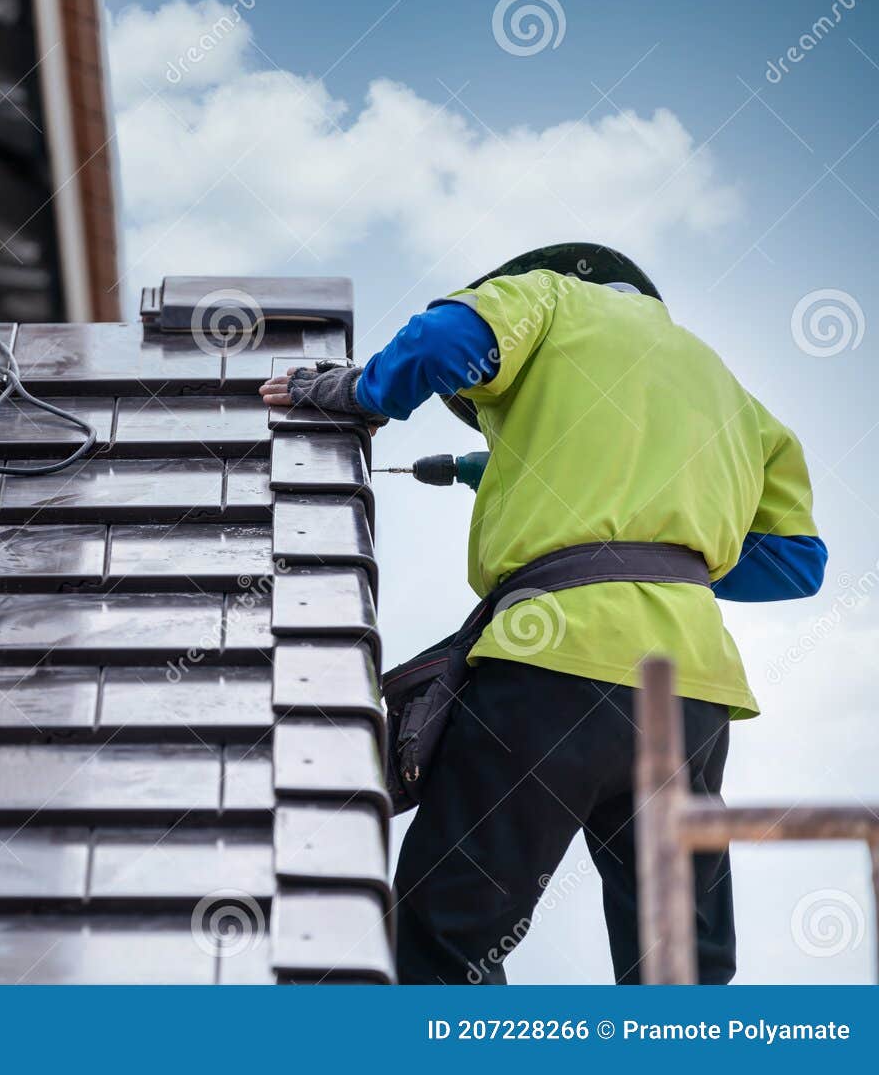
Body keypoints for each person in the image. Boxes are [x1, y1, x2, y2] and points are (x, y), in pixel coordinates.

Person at [260, 243, 826, 984]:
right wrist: (648, 526)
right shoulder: (728, 387)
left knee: (446, 940)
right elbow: (795, 561)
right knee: (680, 967)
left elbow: (445, 341)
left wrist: (361, 392)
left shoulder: (550, 296)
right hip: (692, 693)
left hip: (553, 662)